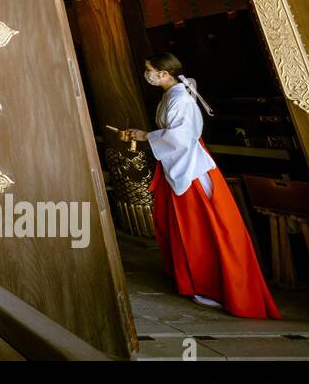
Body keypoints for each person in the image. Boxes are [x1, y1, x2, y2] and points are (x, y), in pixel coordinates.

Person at [120, 52, 280, 319]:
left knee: (205, 229)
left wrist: (146, 136)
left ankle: (218, 286)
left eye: (150, 70)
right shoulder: (172, 96)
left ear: (164, 74)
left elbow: (180, 138)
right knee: (193, 229)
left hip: (190, 167)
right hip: (180, 163)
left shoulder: (180, 98)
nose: (146, 74)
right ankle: (201, 282)